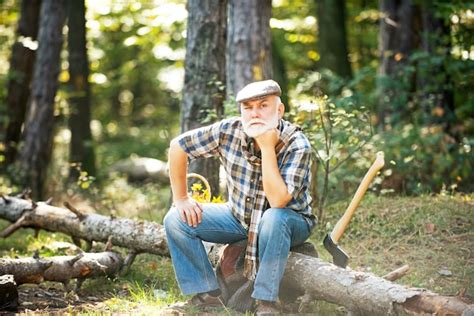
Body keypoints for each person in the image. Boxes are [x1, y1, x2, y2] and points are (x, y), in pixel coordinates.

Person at [163, 79, 316, 314]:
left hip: (288, 221)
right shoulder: (228, 131)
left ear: (279, 110)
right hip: (239, 218)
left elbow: (277, 202)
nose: (255, 113)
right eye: (248, 107)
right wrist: (181, 198)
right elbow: (178, 147)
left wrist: (266, 147)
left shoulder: (297, 144)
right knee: (176, 220)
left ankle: (265, 301)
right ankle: (210, 294)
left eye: (263, 106)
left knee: (273, 218)